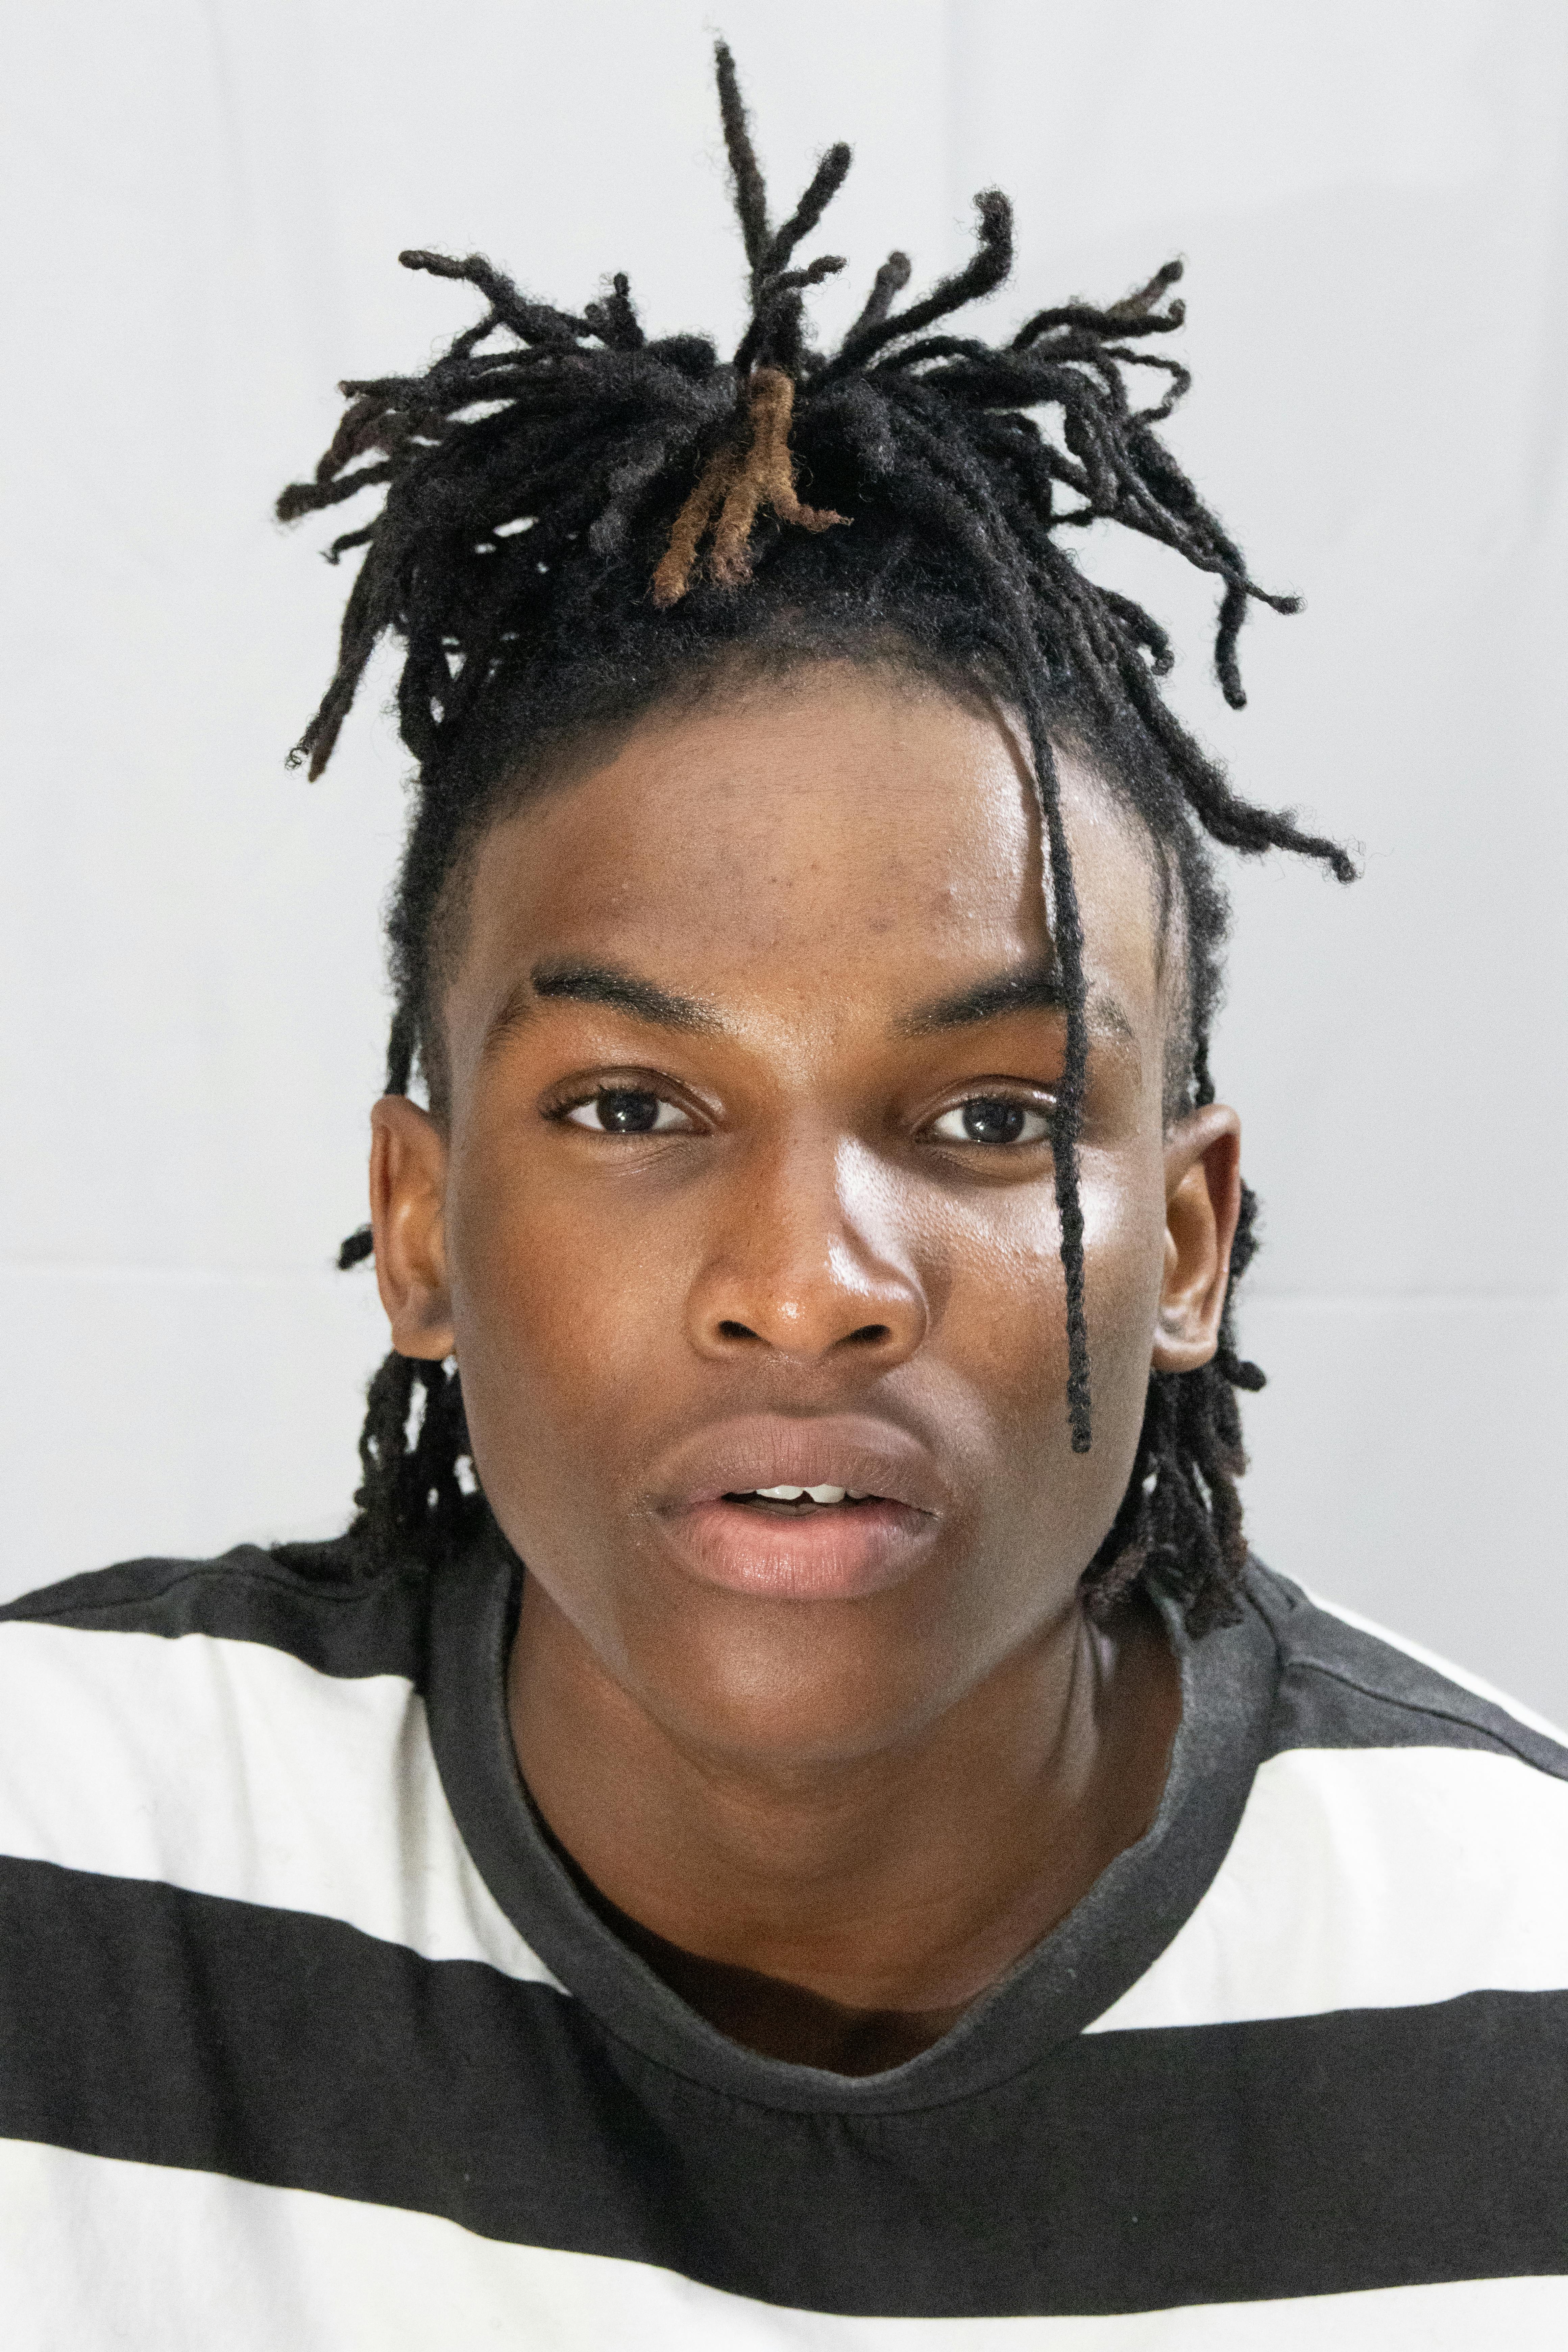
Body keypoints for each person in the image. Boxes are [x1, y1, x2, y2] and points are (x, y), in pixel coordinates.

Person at [2, 42, 1564, 2349]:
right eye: (634, 1108)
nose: (808, 1290)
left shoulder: (1518, 1987)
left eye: (990, 1120)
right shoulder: (58, 1874)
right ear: (421, 1229)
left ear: (1196, 1241)